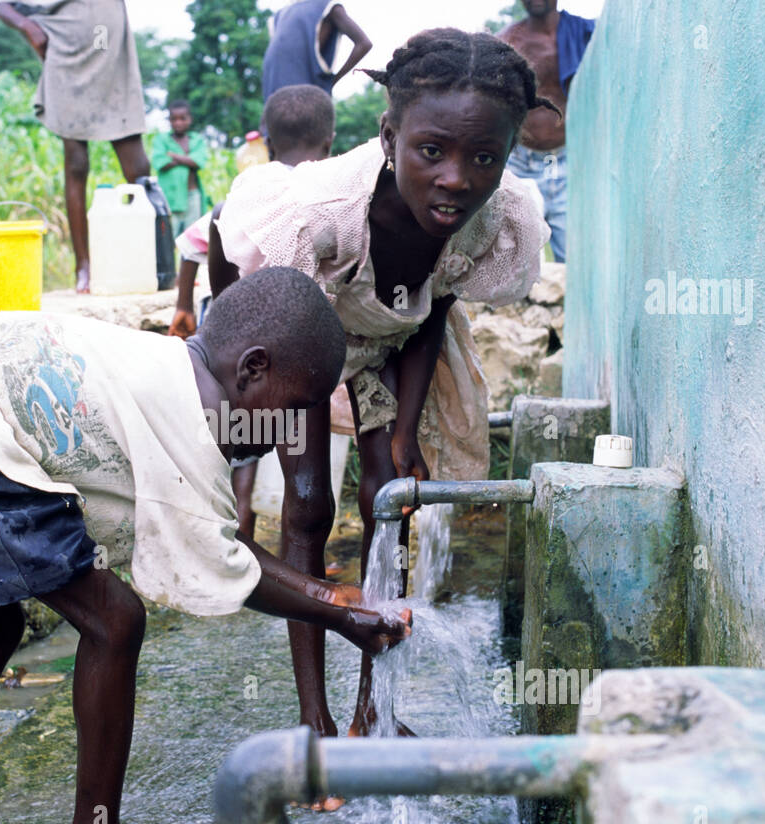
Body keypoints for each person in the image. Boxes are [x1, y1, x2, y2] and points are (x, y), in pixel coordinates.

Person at [0, 267, 412, 824]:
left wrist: (333, 601)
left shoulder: (162, 365)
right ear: (252, 369)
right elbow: (223, 562)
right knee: (114, 619)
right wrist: (337, 609)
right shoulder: (186, 420)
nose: (281, 437)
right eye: (291, 409)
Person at [211, 29, 553, 740]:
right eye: (433, 152)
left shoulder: (485, 218)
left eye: (484, 157)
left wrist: (402, 433)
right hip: (303, 330)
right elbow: (254, 287)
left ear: (508, 155)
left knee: (388, 501)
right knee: (306, 504)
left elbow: (434, 308)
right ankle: (314, 722)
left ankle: (378, 708)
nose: (457, 178)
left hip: (394, 338)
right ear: (390, 135)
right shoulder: (323, 217)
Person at [168, 85, 337, 538]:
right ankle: (251, 542)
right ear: (330, 142)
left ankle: (234, 540)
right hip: (284, 359)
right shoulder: (328, 201)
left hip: (238, 356)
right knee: (296, 475)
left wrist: (191, 306)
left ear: (266, 139)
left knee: (236, 447)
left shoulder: (252, 192)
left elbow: (195, 241)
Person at [0, 0, 153, 292]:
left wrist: (101, 41)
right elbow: (1, 6)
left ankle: (149, 256)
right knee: (76, 162)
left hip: (106, 48)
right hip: (67, 57)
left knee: (138, 166)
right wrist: (28, 26)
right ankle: (84, 266)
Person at [497, 0, 596, 263]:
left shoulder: (585, 36)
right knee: (512, 259)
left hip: (570, 160)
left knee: (577, 260)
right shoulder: (507, 42)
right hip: (520, 162)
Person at [262, 0, 373, 102]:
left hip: (278, 104)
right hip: (298, 103)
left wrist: (332, 82)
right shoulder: (280, 16)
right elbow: (364, 43)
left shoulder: (281, 16)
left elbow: (364, 44)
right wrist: (331, 83)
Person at [152, 100, 208, 237]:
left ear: (190, 119)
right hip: (169, 197)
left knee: (193, 240)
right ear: (169, 121)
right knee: (168, 239)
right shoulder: (161, 140)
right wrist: (187, 159)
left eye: (183, 119)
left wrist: (173, 156)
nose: (178, 123)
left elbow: (198, 162)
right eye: (174, 119)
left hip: (193, 196)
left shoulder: (196, 140)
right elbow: (160, 163)